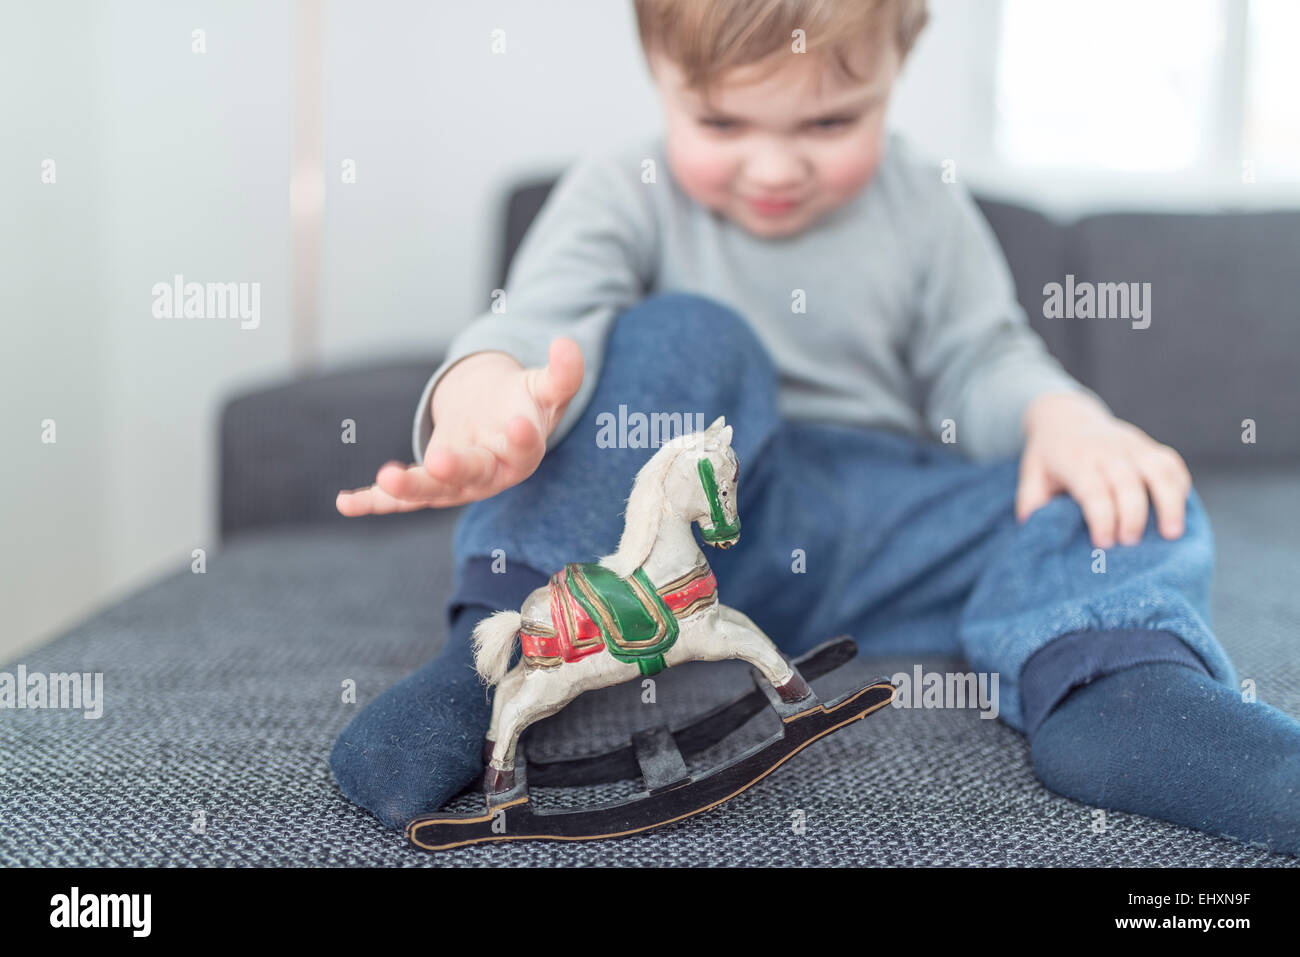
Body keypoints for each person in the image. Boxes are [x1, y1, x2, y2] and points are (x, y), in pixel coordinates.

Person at [328, 0, 1300, 856]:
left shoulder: (922, 202)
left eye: (832, 119)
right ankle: (481, 671)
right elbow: (537, 319)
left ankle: (1120, 693)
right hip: (667, 542)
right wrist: (487, 392)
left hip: (873, 523)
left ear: (897, 64)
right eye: (721, 119)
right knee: (683, 337)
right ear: (659, 74)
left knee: (1128, 484)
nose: (776, 164)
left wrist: (1068, 418)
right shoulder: (622, 188)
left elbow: (984, 357)